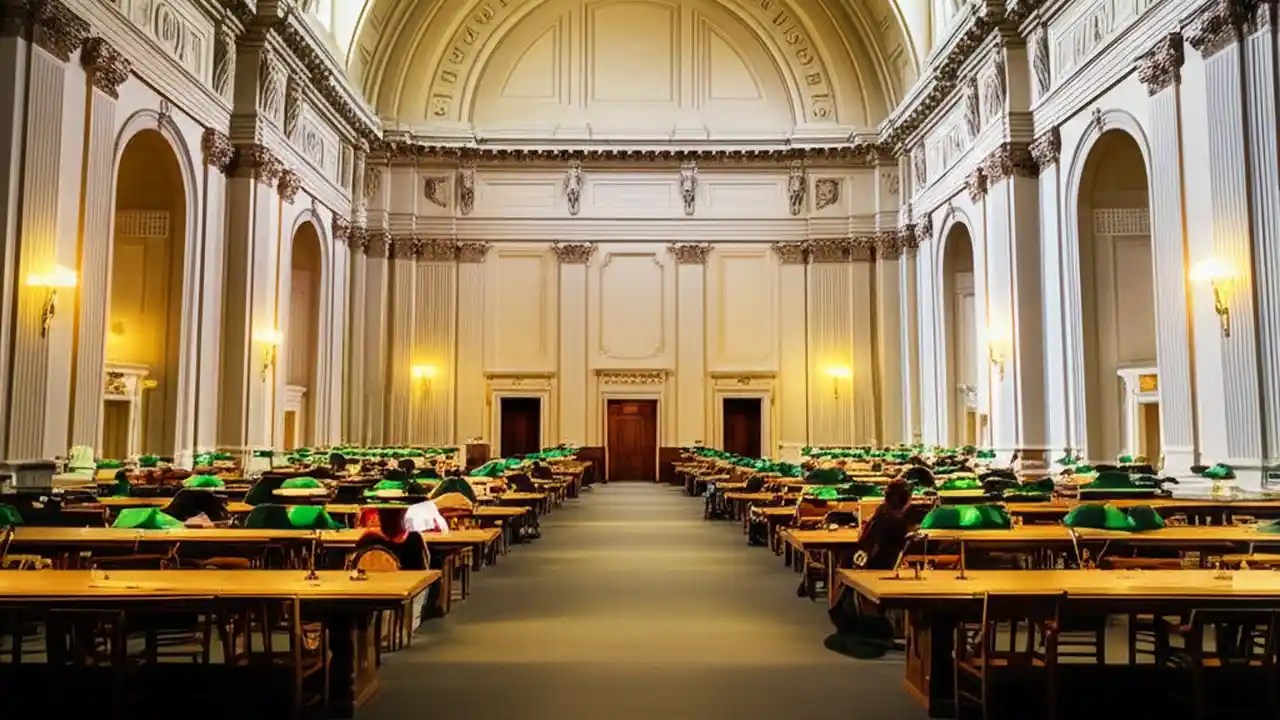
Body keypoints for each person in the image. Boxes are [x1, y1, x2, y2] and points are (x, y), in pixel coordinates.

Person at [825, 479, 912, 659]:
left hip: (873, 572)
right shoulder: (901, 522)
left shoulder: (881, 518)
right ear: (908, 500)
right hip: (889, 573)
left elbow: (865, 551)